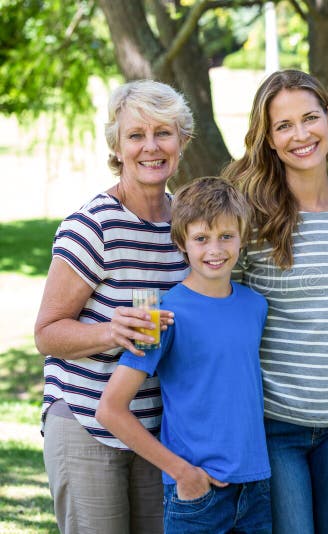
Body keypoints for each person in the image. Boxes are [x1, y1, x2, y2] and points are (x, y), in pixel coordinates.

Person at [221, 69, 328, 534]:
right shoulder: (250, 217)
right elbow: (220, 309)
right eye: (283, 126)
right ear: (268, 139)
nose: (300, 135)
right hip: (275, 421)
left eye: (310, 118)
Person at [34, 79, 193, 533]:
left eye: (164, 133)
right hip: (85, 420)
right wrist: (110, 332)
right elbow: (47, 332)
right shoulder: (92, 225)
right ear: (117, 146)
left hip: (157, 429)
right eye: (136, 135)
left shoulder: (187, 224)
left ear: (181, 141)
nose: (151, 147)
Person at [97, 177, 272, 533]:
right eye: (201, 239)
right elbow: (110, 409)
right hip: (196, 494)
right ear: (182, 243)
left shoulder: (255, 305)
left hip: (256, 488)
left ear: (243, 236)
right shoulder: (158, 314)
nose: (215, 250)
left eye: (226, 236)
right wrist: (181, 473)